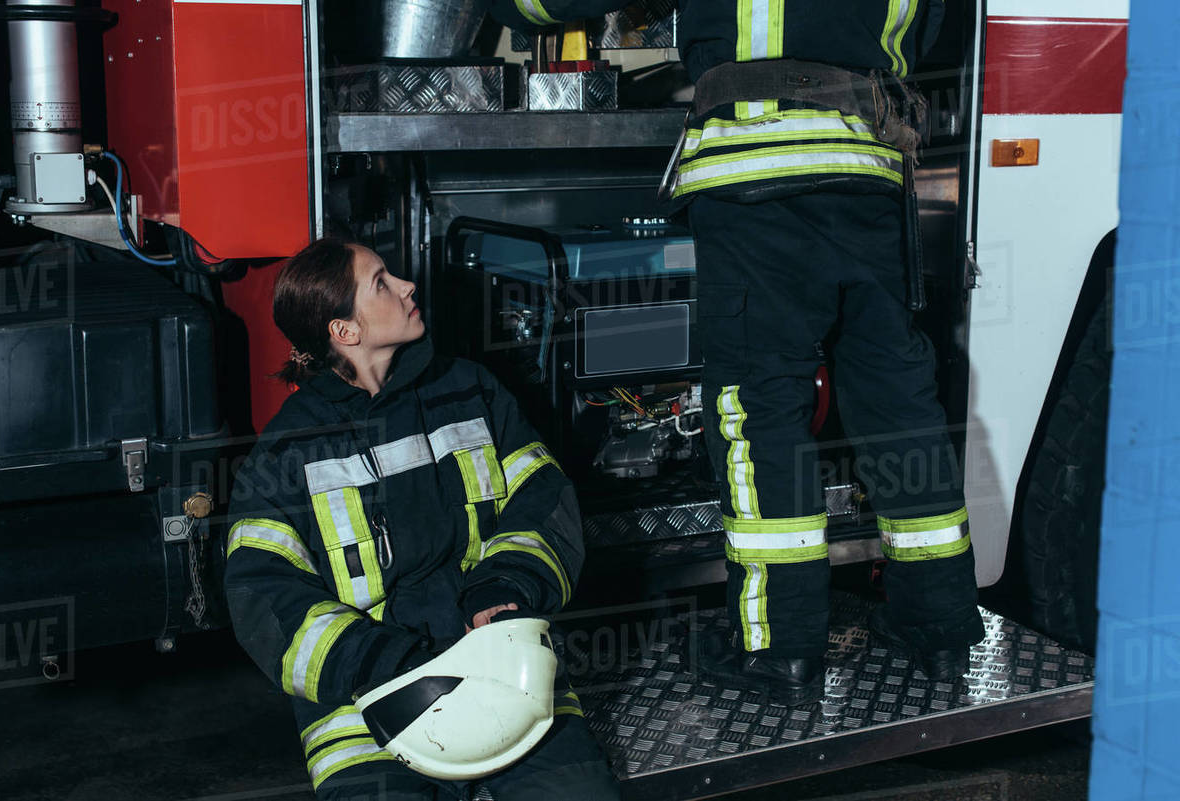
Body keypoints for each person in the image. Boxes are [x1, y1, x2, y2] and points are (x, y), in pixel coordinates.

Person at [489, 0, 984, 703]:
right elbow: (937, 30)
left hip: (759, 168)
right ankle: (940, 631)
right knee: (898, 401)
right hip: (872, 168)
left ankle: (779, 650)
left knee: (760, 411)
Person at [223, 239, 621, 800]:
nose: (408, 286)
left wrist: (505, 587)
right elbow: (262, 596)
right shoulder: (288, 450)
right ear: (345, 332)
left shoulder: (469, 390)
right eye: (382, 283)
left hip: (503, 670)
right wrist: (386, 663)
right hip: (368, 710)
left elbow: (542, 495)